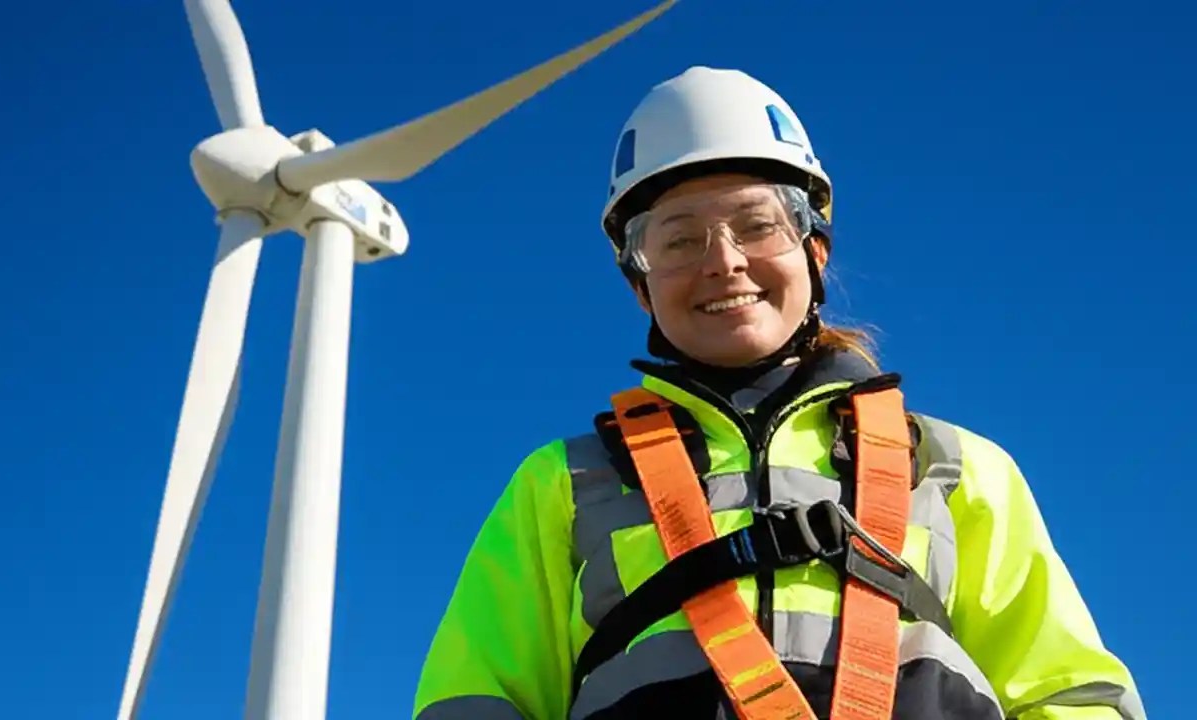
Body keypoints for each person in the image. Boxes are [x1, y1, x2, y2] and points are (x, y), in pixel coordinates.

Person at [410, 66, 1145, 720]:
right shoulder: (563, 485)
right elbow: (477, 699)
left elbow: (1067, 695)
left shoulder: (956, 468)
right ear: (639, 284)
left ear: (813, 248)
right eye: (676, 239)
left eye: (757, 224)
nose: (723, 261)